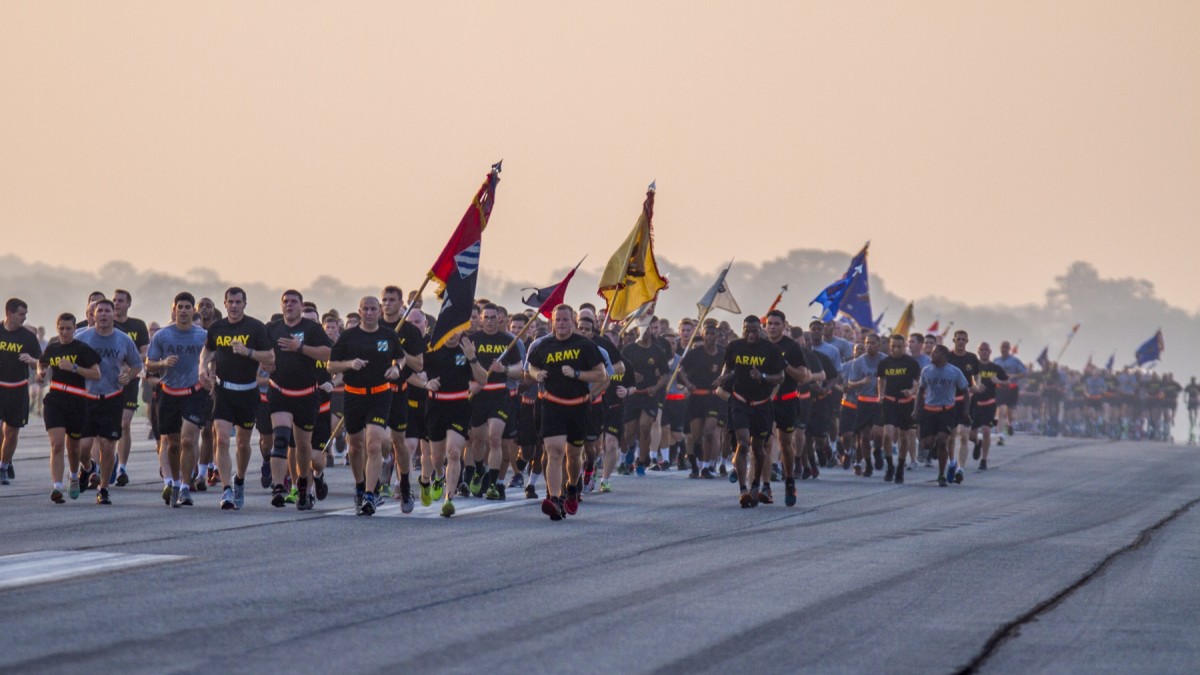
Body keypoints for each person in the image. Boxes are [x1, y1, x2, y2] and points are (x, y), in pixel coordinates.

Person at [525, 305, 607, 520]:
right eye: (557, 319)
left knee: (573, 455)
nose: (561, 323)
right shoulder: (544, 345)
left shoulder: (585, 345)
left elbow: (601, 374)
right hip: (551, 405)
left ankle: (571, 487)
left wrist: (577, 373)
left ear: (573, 321)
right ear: (552, 321)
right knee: (554, 451)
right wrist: (537, 374)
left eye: (565, 319)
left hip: (578, 406)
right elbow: (530, 368)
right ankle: (554, 498)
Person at [201, 287, 275, 510]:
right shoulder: (217, 327)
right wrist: (201, 367)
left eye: (238, 302)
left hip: (248, 391)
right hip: (223, 391)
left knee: (242, 444)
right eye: (230, 302)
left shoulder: (255, 327)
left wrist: (249, 352)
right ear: (224, 304)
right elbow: (207, 350)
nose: (234, 306)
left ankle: (239, 479)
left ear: (244, 304)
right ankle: (226, 490)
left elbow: (270, 356)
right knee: (221, 439)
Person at [329, 296, 404, 515]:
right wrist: (350, 364)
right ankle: (360, 486)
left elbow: (400, 359)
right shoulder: (348, 337)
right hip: (354, 395)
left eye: (373, 309)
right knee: (355, 446)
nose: (369, 313)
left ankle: (371, 494)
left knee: (373, 444)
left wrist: (396, 369)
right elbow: (331, 365)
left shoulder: (388, 335)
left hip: (380, 395)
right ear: (359, 311)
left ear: (379, 312)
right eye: (365, 309)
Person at [264, 290, 333, 511]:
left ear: (301, 306)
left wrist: (300, 348)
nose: (289, 305)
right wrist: (265, 363)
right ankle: (277, 487)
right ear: (281, 305)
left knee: (303, 446)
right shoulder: (272, 328)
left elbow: (327, 353)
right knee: (281, 440)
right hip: (279, 392)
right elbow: (262, 353)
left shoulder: (312, 329)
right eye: (286, 302)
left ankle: (303, 483)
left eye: (294, 302)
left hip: (306, 395)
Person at [76, 299, 143, 504]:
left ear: (114, 315)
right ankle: (88, 468)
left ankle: (103, 488)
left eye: (108, 311)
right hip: (87, 398)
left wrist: (129, 375)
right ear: (93, 315)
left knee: (107, 446)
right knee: (83, 447)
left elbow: (137, 364)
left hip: (112, 399)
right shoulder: (82, 338)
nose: (104, 315)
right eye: (100, 311)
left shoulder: (123, 340)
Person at [146, 292, 209, 507]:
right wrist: (163, 363)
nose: (183, 311)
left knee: (188, 440)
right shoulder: (162, 336)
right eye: (179, 307)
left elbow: (213, 358)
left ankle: (185, 487)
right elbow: (149, 364)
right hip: (169, 393)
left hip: (194, 393)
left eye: (187, 307)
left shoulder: (203, 335)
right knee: (172, 444)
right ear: (173, 310)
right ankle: (173, 482)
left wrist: (210, 377)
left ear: (193, 311)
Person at [715, 315, 784, 507]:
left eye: (754, 330)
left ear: (760, 330)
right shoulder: (734, 346)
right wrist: (723, 379)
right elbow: (729, 370)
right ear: (743, 329)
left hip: (762, 403)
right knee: (743, 444)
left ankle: (756, 485)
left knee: (758, 448)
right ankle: (743, 490)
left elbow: (780, 377)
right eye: (747, 330)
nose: (751, 334)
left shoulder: (771, 349)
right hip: (740, 401)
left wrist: (761, 376)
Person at [421, 328, 488, 517]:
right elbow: (415, 373)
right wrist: (426, 383)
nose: (452, 336)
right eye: (448, 331)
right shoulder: (431, 349)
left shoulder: (467, 349)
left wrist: (472, 358)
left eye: (456, 332)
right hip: (435, 405)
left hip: (459, 405)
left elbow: (483, 380)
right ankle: (439, 475)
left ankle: (448, 500)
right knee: (437, 457)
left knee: (454, 452)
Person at [38, 313, 101, 503]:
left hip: (77, 401)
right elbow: (43, 361)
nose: (65, 332)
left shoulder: (82, 349)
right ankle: (57, 487)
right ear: (57, 328)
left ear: (75, 329)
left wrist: (74, 368)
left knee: (74, 449)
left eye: (68, 328)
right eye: (61, 328)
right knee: (57, 444)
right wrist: (41, 371)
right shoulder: (53, 347)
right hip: (55, 400)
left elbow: (96, 374)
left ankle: (74, 476)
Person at [0, 298, 42, 484]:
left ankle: (4, 466)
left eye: (25, 315)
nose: (24, 318)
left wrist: (32, 361)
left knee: (12, 432)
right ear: (9, 313)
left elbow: (42, 364)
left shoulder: (28, 337)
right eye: (21, 314)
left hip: (17, 389)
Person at [916, 345, 970, 487]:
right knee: (927, 444)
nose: (931, 356)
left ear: (943, 356)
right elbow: (920, 391)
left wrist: (965, 412)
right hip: (929, 410)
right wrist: (917, 410)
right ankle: (934, 448)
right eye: (931, 353)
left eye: (934, 353)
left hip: (947, 411)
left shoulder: (954, 371)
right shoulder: (926, 371)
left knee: (942, 440)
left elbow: (966, 392)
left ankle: (941, 475)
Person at [110, 289, 150, 486]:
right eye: (114, 300)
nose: (116, 304)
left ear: (128, 303)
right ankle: (105, 463)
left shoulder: (137, 325)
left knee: (124, 424)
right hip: (109, 381)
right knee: (108, 425)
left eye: (120, 301)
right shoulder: (108, 326)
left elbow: (145, 353)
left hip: (131, 379)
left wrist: (129, 363)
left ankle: (122, 468)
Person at [877, 334, 921, 484]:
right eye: (893, 346)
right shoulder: (884, 363)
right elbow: (881, 380)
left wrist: (911, 392)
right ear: (890, 346)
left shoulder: (911, 363)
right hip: (889, 402)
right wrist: (880, 394)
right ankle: (890, 465)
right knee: (887, 435)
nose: (896, 349)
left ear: (904, 347)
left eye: (899, 346)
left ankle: (900, 466)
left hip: (906, 403)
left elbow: (917, 384)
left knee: (904, 437)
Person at [969, 342, 1008, 470]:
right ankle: (977, 443)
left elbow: (1007, 381)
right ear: (978, 351)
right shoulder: (973, 367)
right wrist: (973, 387)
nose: (984, 351)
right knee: (971, 435)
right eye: (982, 349)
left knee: (986, 431)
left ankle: (984, 460)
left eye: (986, 349)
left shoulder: (995, 368)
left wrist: (999, 381)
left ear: (990, 352)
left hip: (989, 404)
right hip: (975, 404)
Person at [992, 340, 1026, 440]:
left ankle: (1010, 425)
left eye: (1006, 348)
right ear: (1000, 348)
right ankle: (1001, 435)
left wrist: (1013, 375)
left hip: (1012, 388)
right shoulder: (996, 360)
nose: (1004, 350)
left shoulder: (1015, 361)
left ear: (1009, 349)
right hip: (1000, 388)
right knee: (1001, 410)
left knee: (1010, 412)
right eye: (1002, 347)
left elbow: (1024, 373)